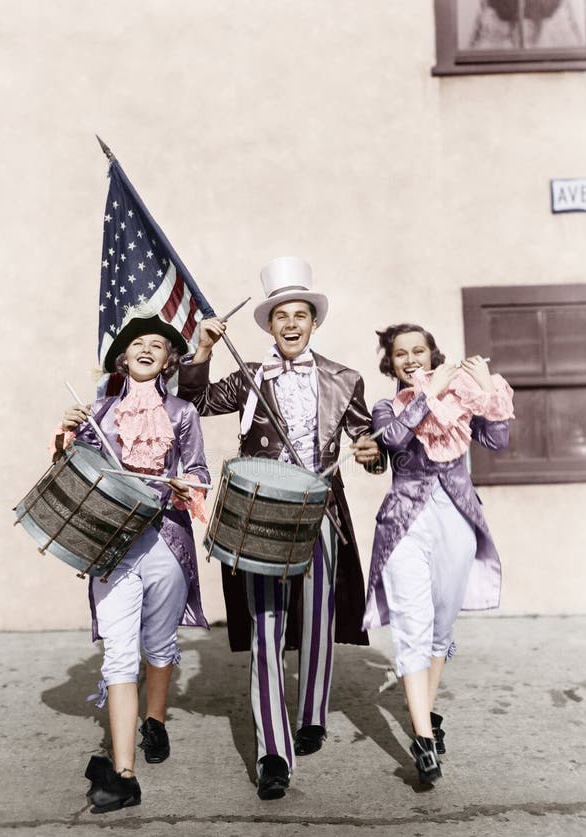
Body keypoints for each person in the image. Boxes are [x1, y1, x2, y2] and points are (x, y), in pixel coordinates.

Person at [178, 256, 384, 800]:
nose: (290, 324)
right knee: (268, 627)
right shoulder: (250, 377)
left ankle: (312, 711)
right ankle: (273, 751)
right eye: (280, 316)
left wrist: (370, 452)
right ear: (269, 325)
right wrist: (200, 350)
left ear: (313, 323)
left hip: (321, 512)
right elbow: (194, 401)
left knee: (317, 620)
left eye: (300, 315)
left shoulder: (344, 379)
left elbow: (369, 442)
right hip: (261, 515)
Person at [57, 313, 210, 813]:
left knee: (160, 642)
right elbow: (73, 471)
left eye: (157, 345)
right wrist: (67, 433)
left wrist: (190, 483)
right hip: (113, 544)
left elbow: (199, 469)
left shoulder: (184, 412)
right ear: (123, 358)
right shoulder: (97, 413)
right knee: (120, 655)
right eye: (137, 344)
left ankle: (156, 720)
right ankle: (124, 773)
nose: (147, 349)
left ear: (169, 361)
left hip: (166, 540)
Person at [363, 323, 514, 784]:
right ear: (390, 363)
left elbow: (499, 440)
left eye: (420, 352)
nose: (411, 359)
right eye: (401, 353)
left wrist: (484, 388)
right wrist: (434, 390)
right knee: (412, 623)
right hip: (405, 525)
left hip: (458, 521)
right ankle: (424, 740)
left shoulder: (461, 401)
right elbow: (392, 440)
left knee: (440, 626)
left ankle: (422, 715)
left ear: (433, 355)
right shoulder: (387, 406)